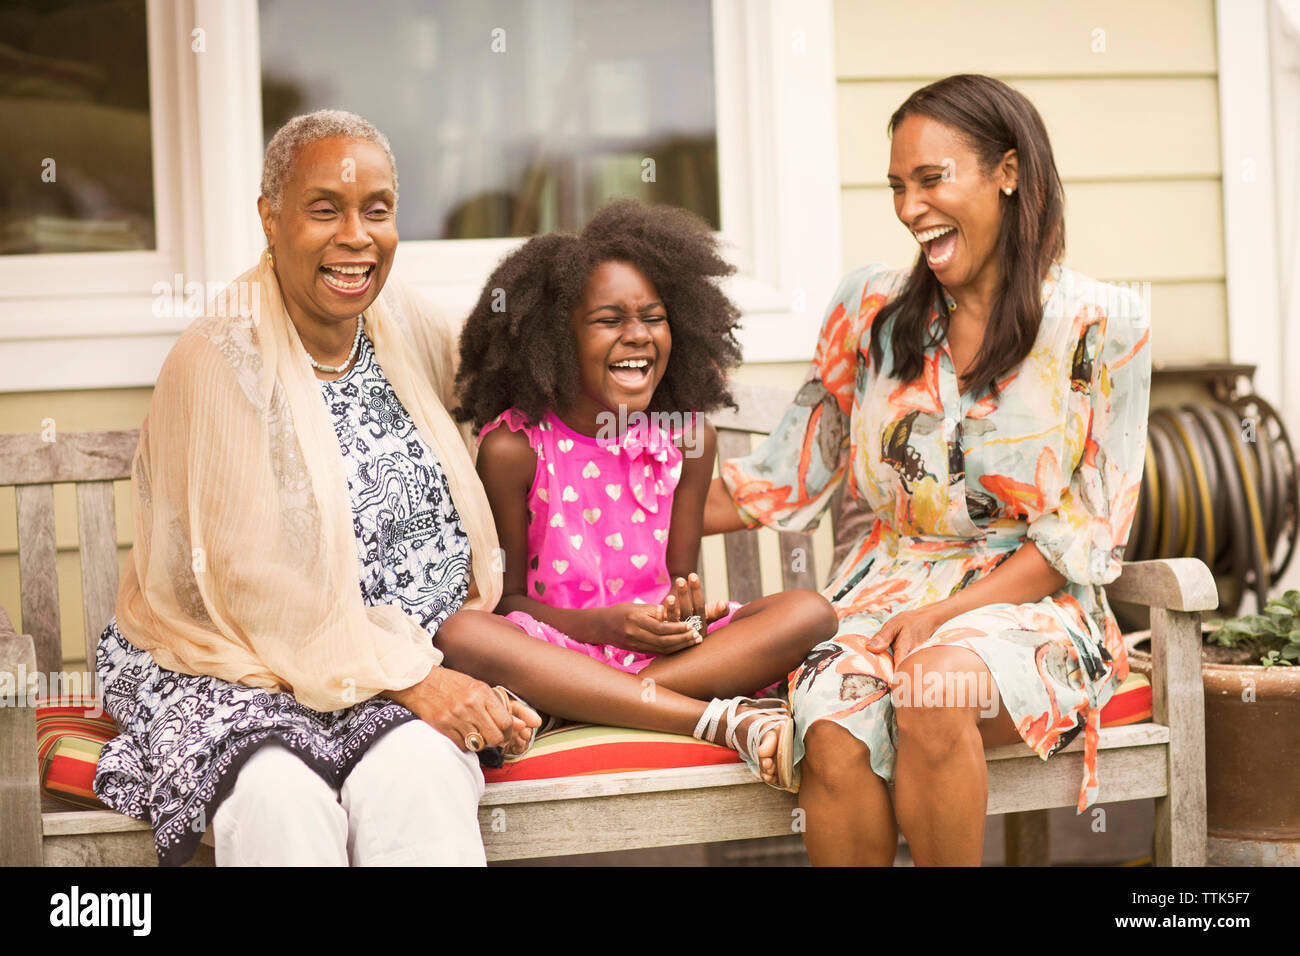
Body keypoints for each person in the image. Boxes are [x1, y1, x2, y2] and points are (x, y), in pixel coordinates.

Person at [706, 74, 1152, 864]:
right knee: (832, 720)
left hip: (1032, 602)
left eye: (931, 179)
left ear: (1008, 172)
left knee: (932, 685)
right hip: (882, 592)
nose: (910, 208)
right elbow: (786, 475)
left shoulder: (1102, 325)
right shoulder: (871, 311)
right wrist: (602, 515)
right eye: (897, 186)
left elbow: (1080, 536)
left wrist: (946, 618)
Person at [92, 109, 539, 867]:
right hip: (239, 667)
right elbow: (248, 585)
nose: (356, 237)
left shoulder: (401, 323)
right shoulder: (221, 359)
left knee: (424, 776)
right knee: (278, 797)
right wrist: (415, 681)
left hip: (400, 668)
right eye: (323, 209)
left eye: (377, 210)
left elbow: (517, 384)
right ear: (270, 219)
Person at [437, 200, 839, 791]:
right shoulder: (515, 450)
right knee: (461, 634)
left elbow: (678, 580)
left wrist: (681, 618)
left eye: (654, 317)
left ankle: (582, 705)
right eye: (609, 319)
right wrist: (601, 626)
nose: (638, 336)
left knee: (810, 612)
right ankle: (706, 717)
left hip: (657, 661)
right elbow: (509, 601)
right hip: (557, 649)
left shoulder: (686, 438)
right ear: (556, 337)